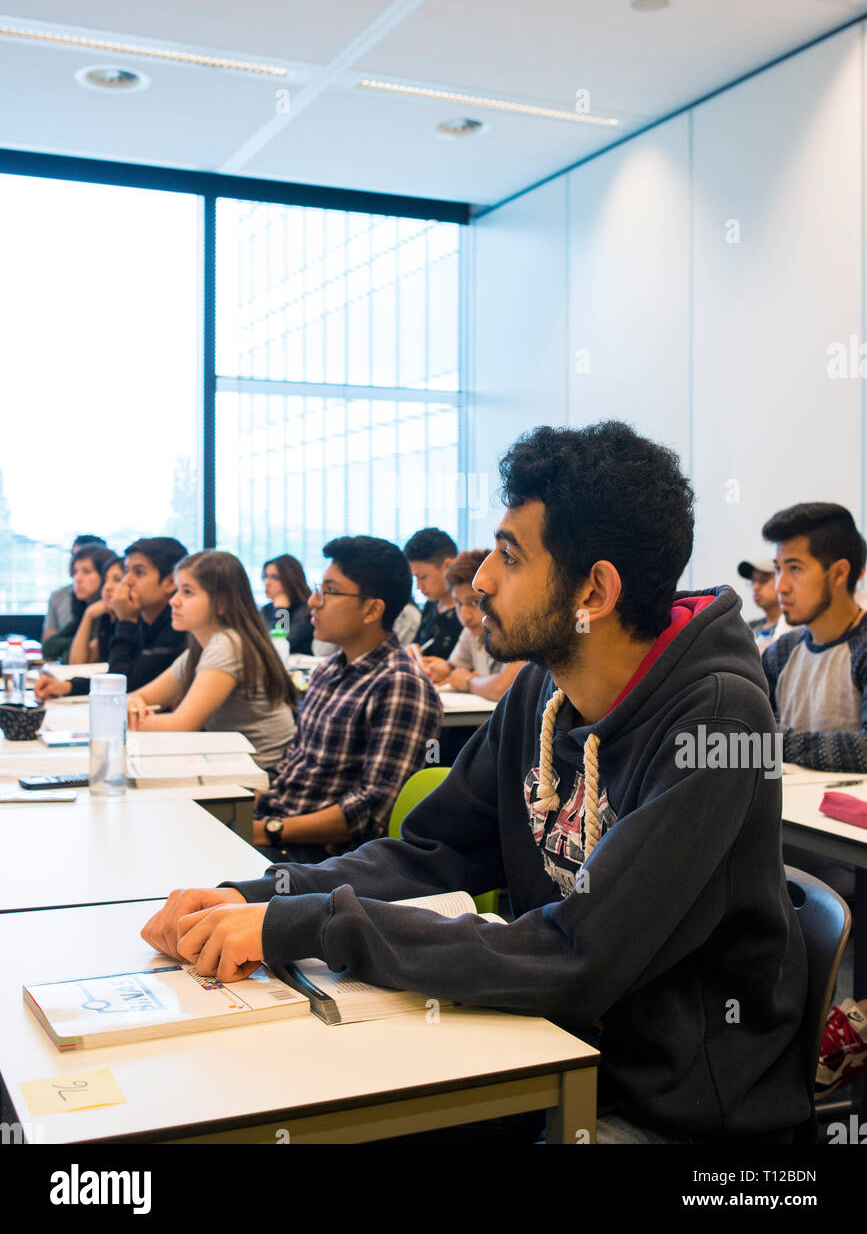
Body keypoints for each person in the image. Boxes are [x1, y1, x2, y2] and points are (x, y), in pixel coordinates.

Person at [143, 422, 809, 1144]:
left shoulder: (717, 720)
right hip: (548, 1049)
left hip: (668, 1109)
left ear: (594, 590)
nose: (482, 578)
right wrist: (260, 897)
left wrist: (311, 925)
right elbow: (432, 852)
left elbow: (576, 956)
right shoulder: (541, 693)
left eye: (510, 555)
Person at [242, 535, 440, 864]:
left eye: (330, 591)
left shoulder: (400, 684)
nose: (314, 601)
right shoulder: (327, 671)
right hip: (281, 831)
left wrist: (269, 829)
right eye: (319, 588)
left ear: (372, 609)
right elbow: (295, 773)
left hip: (321, 862)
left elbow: (368, 811)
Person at [126, 551, 296, 773]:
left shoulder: (229, 644)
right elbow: (137, 696)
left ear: (222, 603)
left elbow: (181, 726)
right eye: (177, 590)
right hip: (236, 764)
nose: (173, 601)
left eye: (187, 592)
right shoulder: (203, 646)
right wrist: (132, 706)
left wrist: (125, 719)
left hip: (265, 773)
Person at [761, 503, 867, 773]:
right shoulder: (781, 652)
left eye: (794, 568)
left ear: (839, 573)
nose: (780, 586)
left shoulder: (862, 648)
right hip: (785, 811)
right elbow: (749, 738)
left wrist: (776, 742)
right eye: (778, 568)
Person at [34, 537, 188, 700]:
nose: (126, 581)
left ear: (170, 582)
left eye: (138, 572)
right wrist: (67, 686)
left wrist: (126, 621)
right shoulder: (143, 620)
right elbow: (119, 676)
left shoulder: (177, 626)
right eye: (127, 571)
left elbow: (121, 685)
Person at [421, 548, 524, 701]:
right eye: (458, 604)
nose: (465, 616)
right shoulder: (471, 631)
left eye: (474, 602)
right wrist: (441, 670)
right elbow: (455, 666)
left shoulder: (520, 630)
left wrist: (469, 682)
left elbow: (502, 688)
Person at [40, 544, 118, 662]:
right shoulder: (83, 607)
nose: (77, 578)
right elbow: (48, 647)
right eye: (75, 572)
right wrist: (76, 640)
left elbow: (72, 661)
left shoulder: (110, 614)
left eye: (86, 572)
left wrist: (89, 615)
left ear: (104, 576)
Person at [403, 527, 461, 660]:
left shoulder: (469, 613)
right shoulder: (432, 604)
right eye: (415, 578)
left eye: (422, 577)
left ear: (448, 567)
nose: (418, 586)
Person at [42, 534, 106, 642]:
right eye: (73, 555)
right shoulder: (59, 596)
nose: (74, 561)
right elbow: (48, 645)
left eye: (86, 571)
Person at [67, 552, 125, 665]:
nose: (107, 587)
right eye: (106, 580)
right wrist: (88, 615)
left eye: (117, 580)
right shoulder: (108, 618)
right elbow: (76, 664)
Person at [737, 553, 793, 653]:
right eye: (753, 581)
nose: (755, 587)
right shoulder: (749, 628)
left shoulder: (793, 628)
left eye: (763, 580)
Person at [259, 554, 314, 655]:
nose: (266, 582)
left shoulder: (307, 610)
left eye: (274, 577)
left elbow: (281, 646)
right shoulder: (266, 609)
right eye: (265, 576)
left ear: (291, 579)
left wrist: (281, 610)